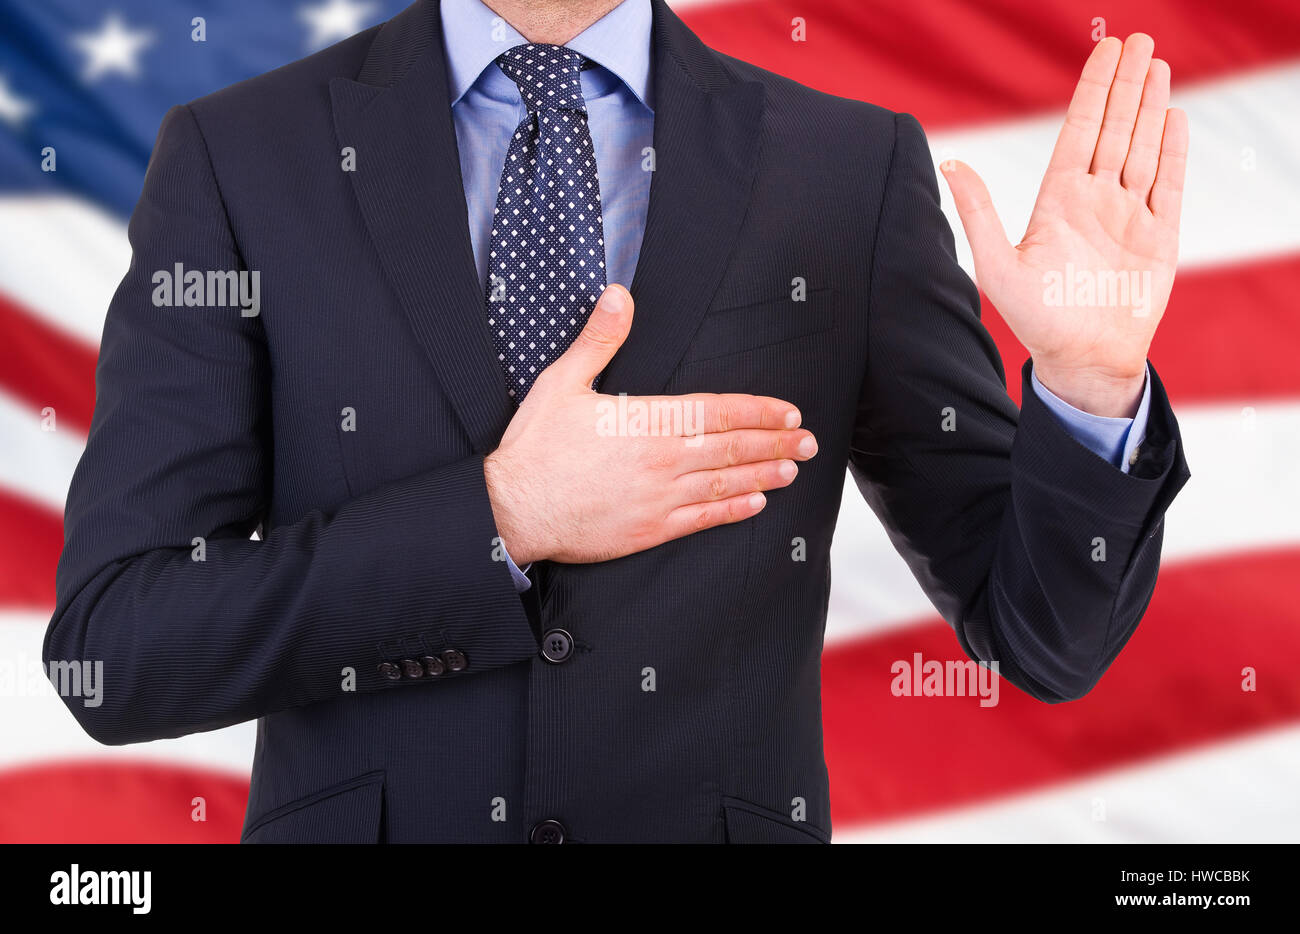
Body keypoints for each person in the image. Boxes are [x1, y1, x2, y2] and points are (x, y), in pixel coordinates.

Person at [45, 0, 1190, 843]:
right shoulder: (239, 158)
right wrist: (498, 519)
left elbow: (1041, 635)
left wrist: (1090, 384)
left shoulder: (842, 169)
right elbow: (116, 650)